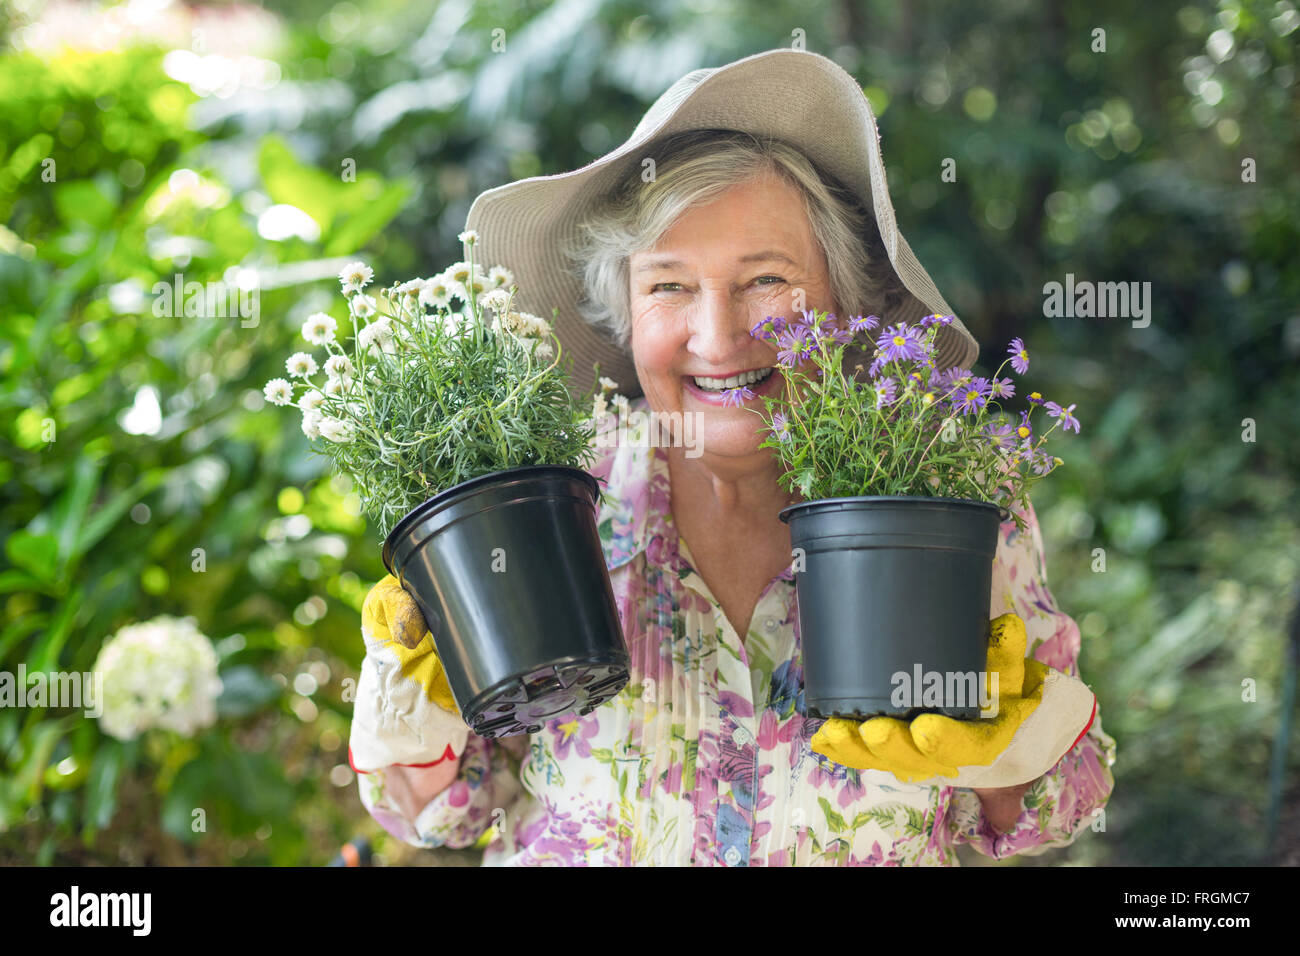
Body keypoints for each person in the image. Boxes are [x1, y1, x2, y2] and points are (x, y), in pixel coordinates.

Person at [347, 48, 1116, 866]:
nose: (717, 338)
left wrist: (998, 743)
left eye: (765, 281)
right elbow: (451, 816)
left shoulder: (944, 498)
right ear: (625, 311)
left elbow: (1059, 807)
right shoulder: (549, 507)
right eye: (669, 286)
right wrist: (414, 709)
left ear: (844, 301)